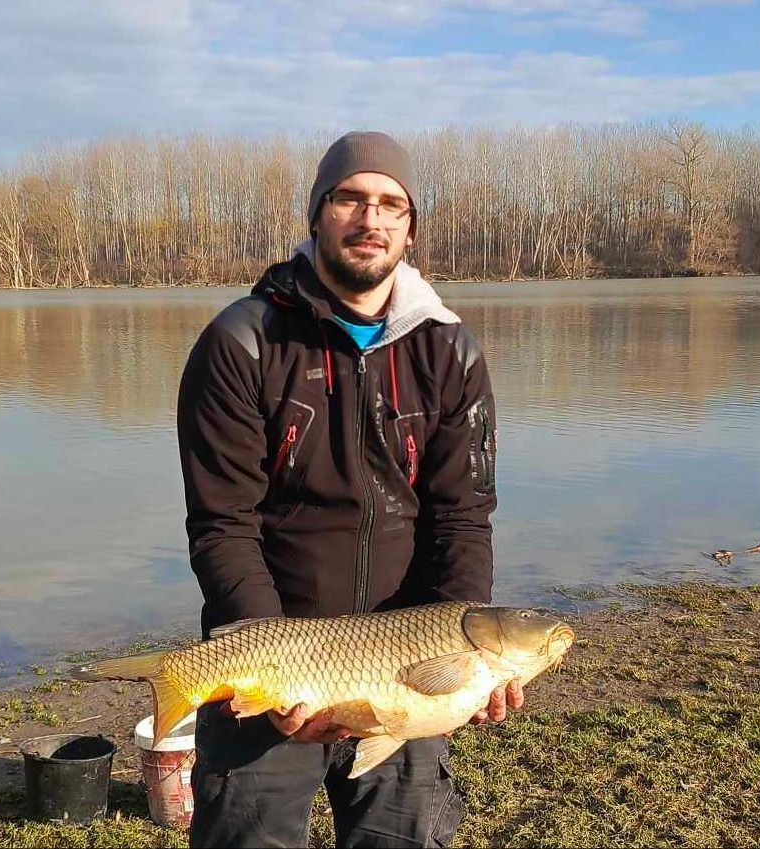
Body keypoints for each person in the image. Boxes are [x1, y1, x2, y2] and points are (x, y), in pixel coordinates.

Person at [177, 131, 522, 848]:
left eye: (391, 204)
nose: (372, 219)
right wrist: (270, 666)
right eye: (351, 199)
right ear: (317, 213)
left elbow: (462, 517)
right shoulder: (242, 342)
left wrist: (471, 665)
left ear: (410, 226)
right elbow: (222, 525)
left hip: (409, 658)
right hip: (271, 655)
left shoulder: (450, 350)